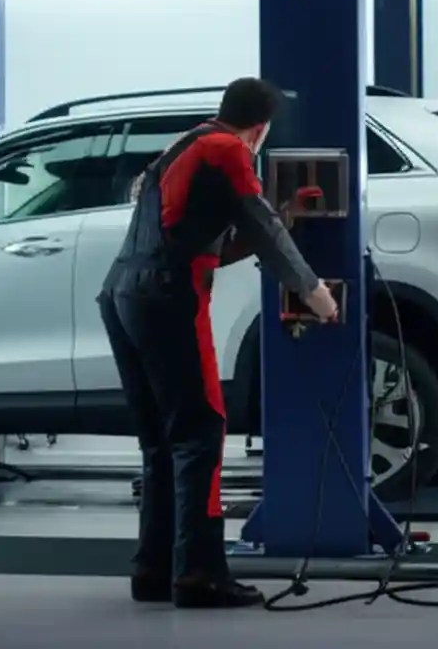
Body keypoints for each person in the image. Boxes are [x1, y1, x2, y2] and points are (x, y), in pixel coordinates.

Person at [98, 77, 339, 609]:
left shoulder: (184, 146)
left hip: (121, 294)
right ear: (260, 129)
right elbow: (261, 227)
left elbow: (205, 236)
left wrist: (283, 217)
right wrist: (315, 292)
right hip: (166, 297)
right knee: (201, 430)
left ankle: (154, 569)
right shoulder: (228, 150)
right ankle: (200, 575)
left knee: (163, 440)